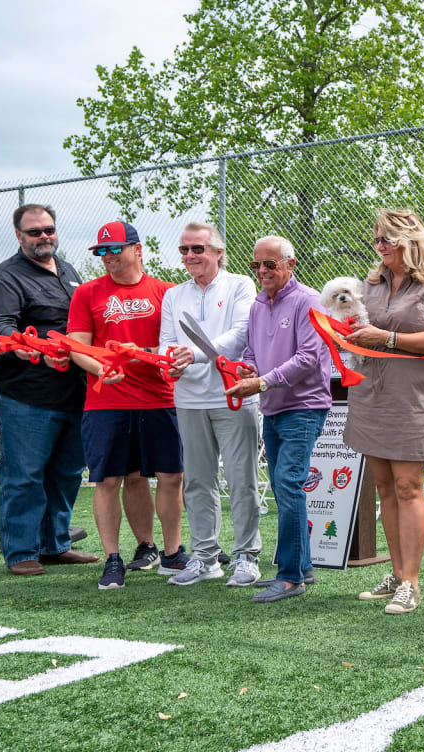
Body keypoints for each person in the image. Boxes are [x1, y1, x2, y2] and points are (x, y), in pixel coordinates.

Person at [344, 210, 424, 615]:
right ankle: (396, 574)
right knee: (385, 487)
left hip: (411, 395)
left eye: (385, 240)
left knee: (409, 486)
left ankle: (411, 582)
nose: (378, 247)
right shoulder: (369, 284)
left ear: (408, 243)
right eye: (376, 240)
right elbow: (355, 325)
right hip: (371, 392)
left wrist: (386, 337)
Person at [0, 204, 97, 576]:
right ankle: (20, 552)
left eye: (48, 229)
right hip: (25, 392)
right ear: (18, 236)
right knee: (24, 474)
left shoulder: (69, 271)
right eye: (34, 232)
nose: (44, 236)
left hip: (73, 390)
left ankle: (54, 545)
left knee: (66, 473)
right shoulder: (6, 277)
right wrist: (39, 352)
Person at [65, 221, 184, 590]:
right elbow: (76, 346)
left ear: (138, 249)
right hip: (106, 400)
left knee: (169, 476)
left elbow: (177, 345)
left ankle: (172, 551)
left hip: (159, 398)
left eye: (115, 249)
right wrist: (101, 368)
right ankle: (114, 558)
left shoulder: (167, 292)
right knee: (109, 480)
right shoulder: (87, 293)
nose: (108, 257)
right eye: (102, 251)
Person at [228, 235, 331, 603]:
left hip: (303, 406)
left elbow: (308, 358)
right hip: (272, 406)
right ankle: (302, 568)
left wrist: (260, 381)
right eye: (257, 264)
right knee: (285, 485)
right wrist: (249, 370)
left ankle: (289, 578)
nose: (262, 271)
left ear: (291, 264)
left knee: (287, 485)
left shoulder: (310, 301)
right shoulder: (257, 304)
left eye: (269, 264)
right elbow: (253, 351)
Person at [160, 222, 262, 587]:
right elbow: (165, 342)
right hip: (187, 398)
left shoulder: (240, 285)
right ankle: (205, 558)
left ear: (218, 252)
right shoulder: (173, 295)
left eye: (198, 249)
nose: (190, 256)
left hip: (233, 394)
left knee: (241, 479)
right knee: (198, 482)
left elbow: (241, 334)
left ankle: (247, 556)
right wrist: (169, 361)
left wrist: (196, 354)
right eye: (184, 250)